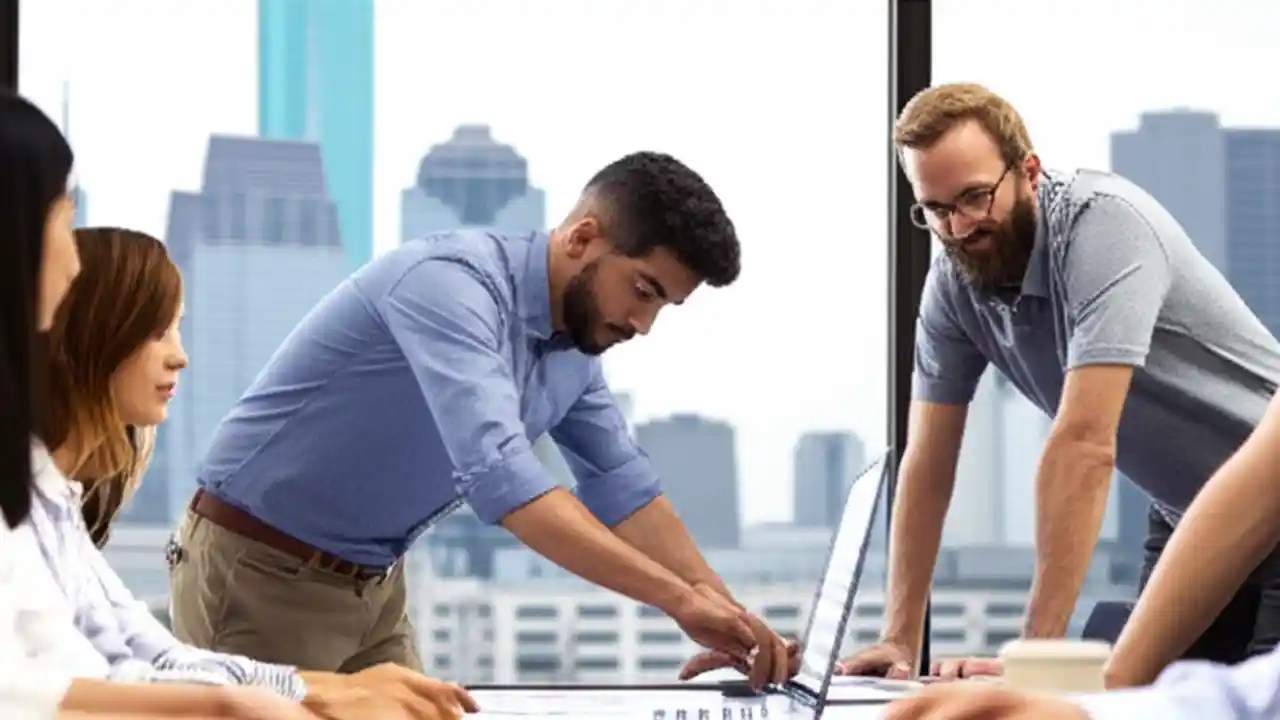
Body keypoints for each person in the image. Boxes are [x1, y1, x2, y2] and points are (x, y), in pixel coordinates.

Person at [168, 150, 791, 689]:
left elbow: (625, 488)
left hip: (375, 588)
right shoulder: (450, 286)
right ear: (581, 239)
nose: (643, 324)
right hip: (257, 573)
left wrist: (731, 619)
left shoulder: (574, 348)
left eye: (665, 307)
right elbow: (505, 481)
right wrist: (678, 602)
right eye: (644, 291)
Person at [835, 82, 1280, 680]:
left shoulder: (1103, 228)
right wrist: (898, 636)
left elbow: (1084, 444)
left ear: (1029, 171)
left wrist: (1034, 662)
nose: (959, 227)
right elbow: (929, 461)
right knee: (1141, 706)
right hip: (1189, 518)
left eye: (974, 197)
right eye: (935, 210)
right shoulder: (953, 285)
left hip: (1272, 498)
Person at [37, 226, 479, 720]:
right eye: (156, 331)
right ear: (92, 335)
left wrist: (323, 689)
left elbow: (153, 656)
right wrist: (282, 699)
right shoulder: (18, 515)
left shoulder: (57, 510)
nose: (179, 356)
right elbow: (46, 690)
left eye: (177, 329)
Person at [0, 88, 317, 719]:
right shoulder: (31, 488)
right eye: (60, 220)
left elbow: (121, 658)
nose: (71, 262)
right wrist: (234, 705)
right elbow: (44, 687)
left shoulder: (47, 491)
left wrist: (306, 692)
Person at [886, 385, 1280, 718]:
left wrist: (1051, 671)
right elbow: (1248, 698)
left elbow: (1084, 442)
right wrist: (1083, 708)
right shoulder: (953, 304)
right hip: (1191, 509)